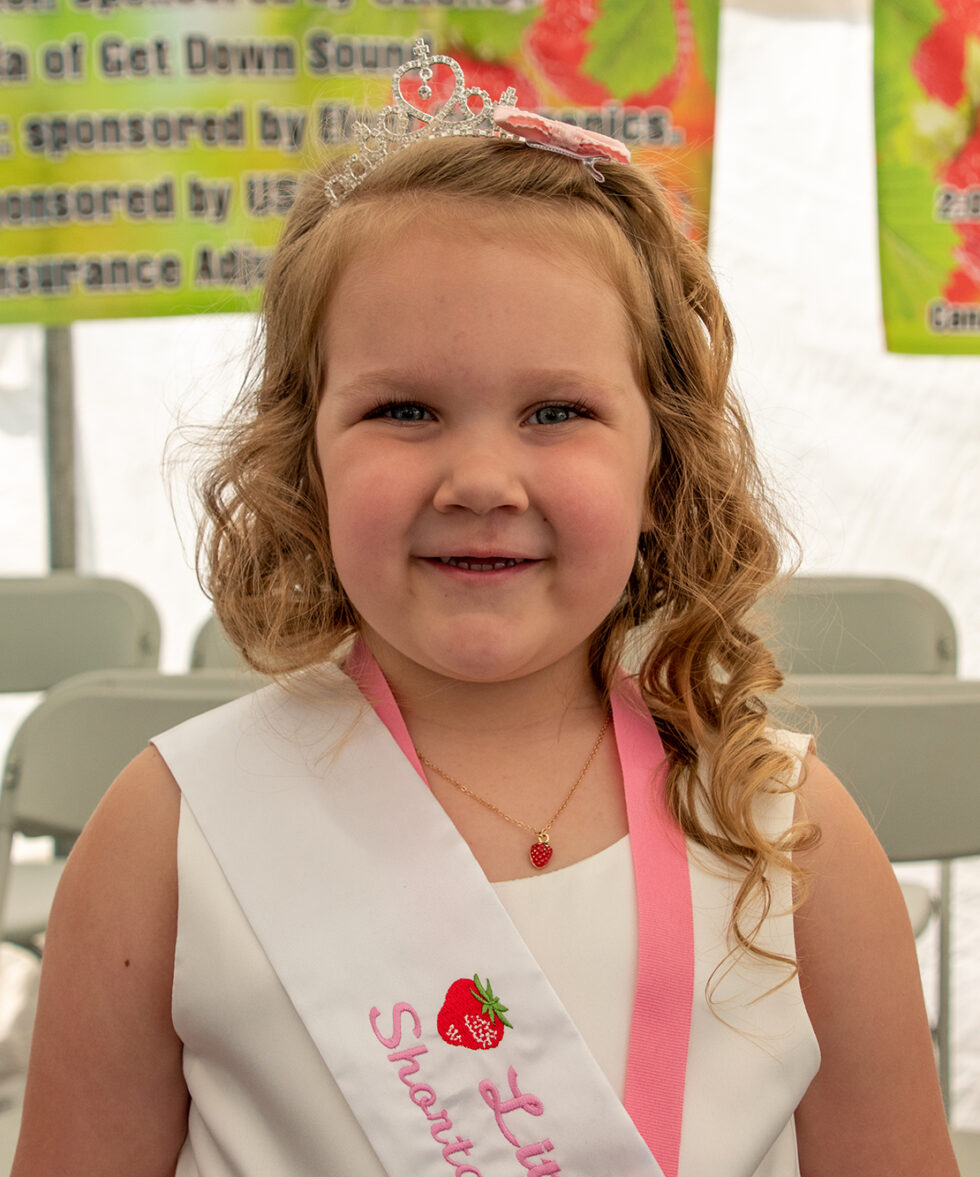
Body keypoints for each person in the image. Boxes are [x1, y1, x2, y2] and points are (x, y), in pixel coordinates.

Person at [12, 41, 958, 1177]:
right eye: (403, 409)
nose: (478, 479)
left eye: (555, 412)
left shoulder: (786, 837)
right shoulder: (169, 831)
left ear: (661, 465)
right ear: (299, 456)